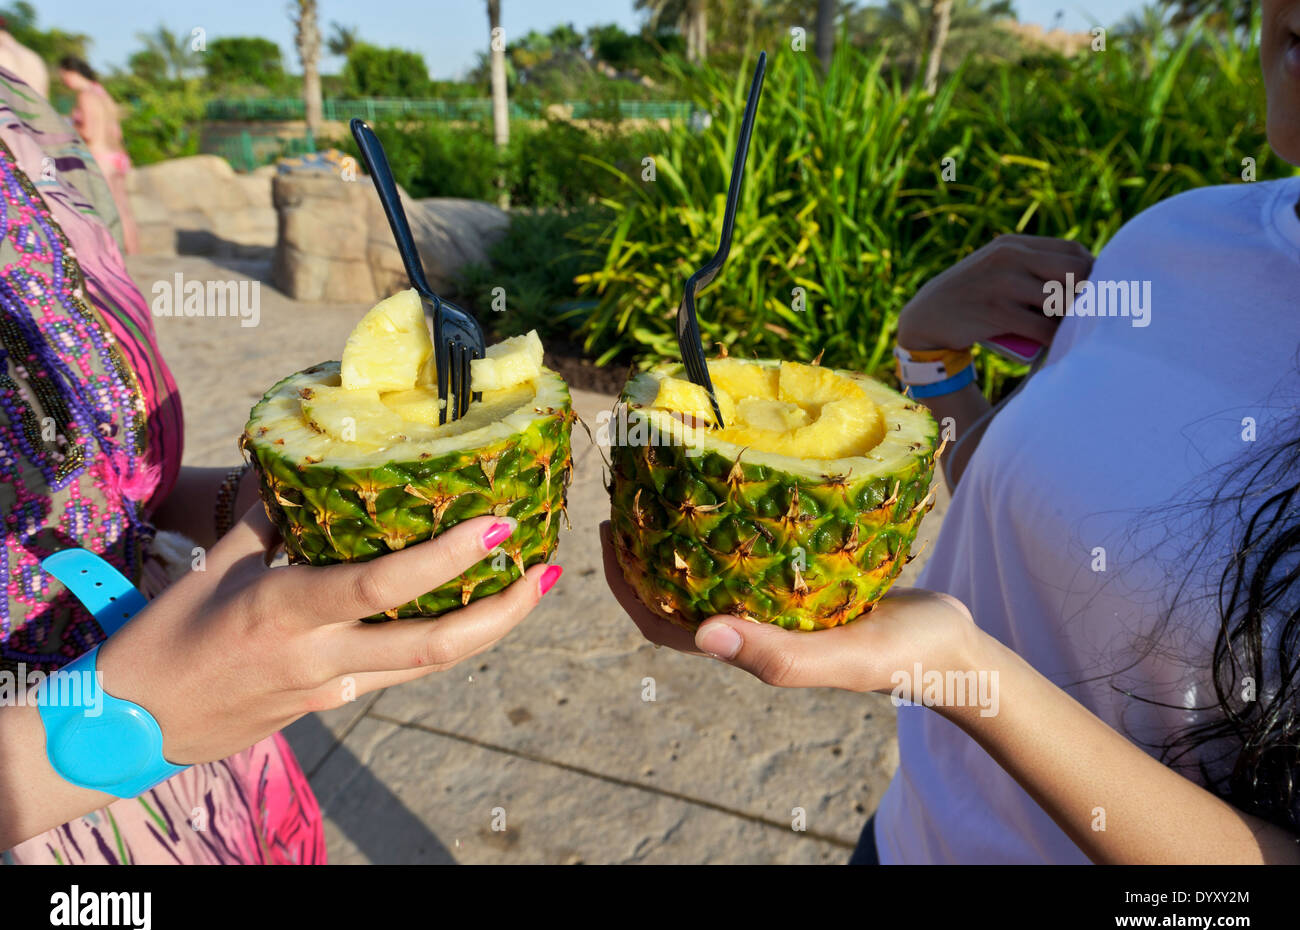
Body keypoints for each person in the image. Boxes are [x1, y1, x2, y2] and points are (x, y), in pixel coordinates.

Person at [604, 0, 1300, 863]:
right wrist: (931, 361)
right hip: (903, 840)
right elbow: (1046, 508)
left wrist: (961, 673)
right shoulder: (1172, 237)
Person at [0, 71, 560, 863]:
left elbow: (110, 497)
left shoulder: (23, 122)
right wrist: (124, 724)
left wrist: (276, 504)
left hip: (221, 772)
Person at [57, 55, 139, 255]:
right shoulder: (102, 94)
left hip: (100, 158)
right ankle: (135, 254)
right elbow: (116, 131)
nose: (63, 81)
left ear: (71, 73)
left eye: (63, 76)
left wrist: (67, 126)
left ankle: (112, 257)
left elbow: (89, 133)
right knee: (123, 210)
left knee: (104, 211)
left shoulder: (85, 95)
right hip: (117, 156)